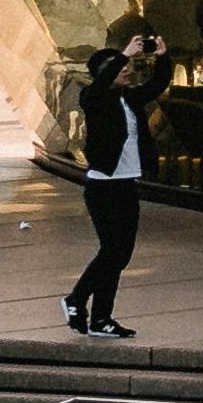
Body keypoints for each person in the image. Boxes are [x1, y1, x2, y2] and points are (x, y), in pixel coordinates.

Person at [68, 24, 165, 337]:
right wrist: (124, 54)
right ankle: (76, 299)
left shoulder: (129, 99)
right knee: (111, 251)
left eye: (127, 66)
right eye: (119, 67)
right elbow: (100, 85)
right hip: (103, 186)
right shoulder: (94, 97)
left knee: (120, 255)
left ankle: (101, 319)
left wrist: (162, 56)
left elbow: (158, 84)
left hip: (127, 184)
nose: (126, 69)